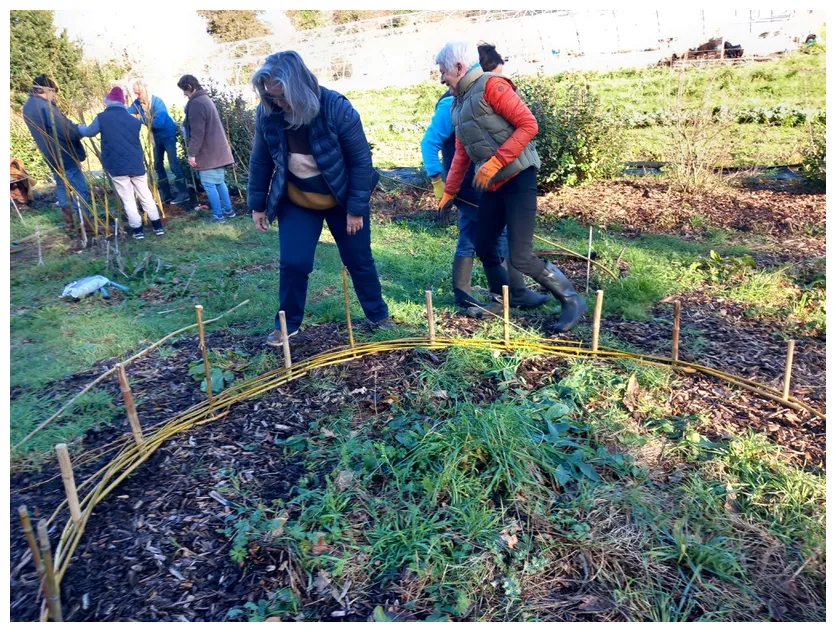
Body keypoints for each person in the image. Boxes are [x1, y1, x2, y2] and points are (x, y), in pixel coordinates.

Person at [435, 41, 586, 332]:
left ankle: (571, 300)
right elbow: (463, 151)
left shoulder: (493, 86)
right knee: (483, 245)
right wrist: (449, 192)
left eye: (443, 71)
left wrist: (494, 162)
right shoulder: (457, 104)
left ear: (458, 67)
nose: (441, 78)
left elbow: (528, 125)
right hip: (492, 185)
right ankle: (501, 300)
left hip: (518, 179)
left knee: (521, 256)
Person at [247, 51, 393, 345]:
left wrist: (355, 209)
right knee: (294, 262)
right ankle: (287, 325)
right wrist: (257, 203)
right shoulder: (268, 112)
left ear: (298, 88)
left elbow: (361, 162)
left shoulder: (337, 108)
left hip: (342, 200)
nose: (278, 103)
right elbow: (260, 160)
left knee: (359, 259)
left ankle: (378, 315)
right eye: (271, 96)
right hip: (298, 201)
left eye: (282, 96)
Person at [421, 43, 547, 314]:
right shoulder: (451, 104)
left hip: (483, 177)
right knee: (478, 237)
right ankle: (484, 294)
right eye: (495, 73)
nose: (442, 78)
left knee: (485, 237)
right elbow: (431, 143)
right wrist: (440, 183)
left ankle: (509, 294)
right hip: (472, 183)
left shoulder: (477, 93)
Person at [79, 86, 165, 240]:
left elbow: (88, 132)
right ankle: (158, 227)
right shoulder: (134, 120)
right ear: (123, 102)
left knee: (128, 199)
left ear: (108, 102)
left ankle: (138, 231)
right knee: (146, 195)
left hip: (116, 166)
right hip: (136, 164)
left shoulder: (102, 118)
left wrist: (80, 127)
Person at [22, 75, 92, 237]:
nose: (55, 96)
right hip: (63, 154)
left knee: (62, 187)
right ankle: (86, 226)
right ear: (44, 90)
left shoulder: (27, 106)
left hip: (50, 156)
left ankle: (70, 224)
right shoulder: (44, 107)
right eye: (53, 92)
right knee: (80, 189)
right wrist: (78, 130)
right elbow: (64, 129)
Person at [177, 75, 235, 222]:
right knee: (219, 182)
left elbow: (197, 132)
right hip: (218, 150)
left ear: (190, 87)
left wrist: (192, 153)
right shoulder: (206, 99)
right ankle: (228, 211)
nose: (184, 94)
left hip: (208, 152)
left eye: (184, 90)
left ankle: (218, 215)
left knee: (209, 185)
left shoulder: (196, 103)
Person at [128, 80, 190, 205]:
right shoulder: (137, 104)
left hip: (167, 135)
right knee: (158, 165)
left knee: (173, 164)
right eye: (135, 94)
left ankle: (184, 194)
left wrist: (140, 118)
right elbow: (127, 113)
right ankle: (166, 194)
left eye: (139, 93)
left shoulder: (157, 102)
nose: (137, 96)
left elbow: (158, 123)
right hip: (155, 138)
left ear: (145, 90)